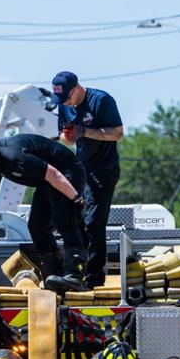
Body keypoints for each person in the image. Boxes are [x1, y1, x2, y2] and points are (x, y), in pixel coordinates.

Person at [0, 131, 89, 293]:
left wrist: (77, 200)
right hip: (48, 181)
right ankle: (54, 275)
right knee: (36, 226)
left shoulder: (14, 156)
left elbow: (53, 174)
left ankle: (75, 276)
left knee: (65, 219)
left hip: (66, 173)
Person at [49, 72, 125, 288]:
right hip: (80, 167)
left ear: (77, 88)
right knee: (74, 218)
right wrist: (68, 135)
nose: (65, 104)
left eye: (67, 98)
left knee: (94, 222)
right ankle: (73, 270)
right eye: (61, 101)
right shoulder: (64, 105)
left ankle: (94, 277)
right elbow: (66, 139)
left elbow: (117, 133)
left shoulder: (101, 100)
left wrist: (83, 131)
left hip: (104, 169)